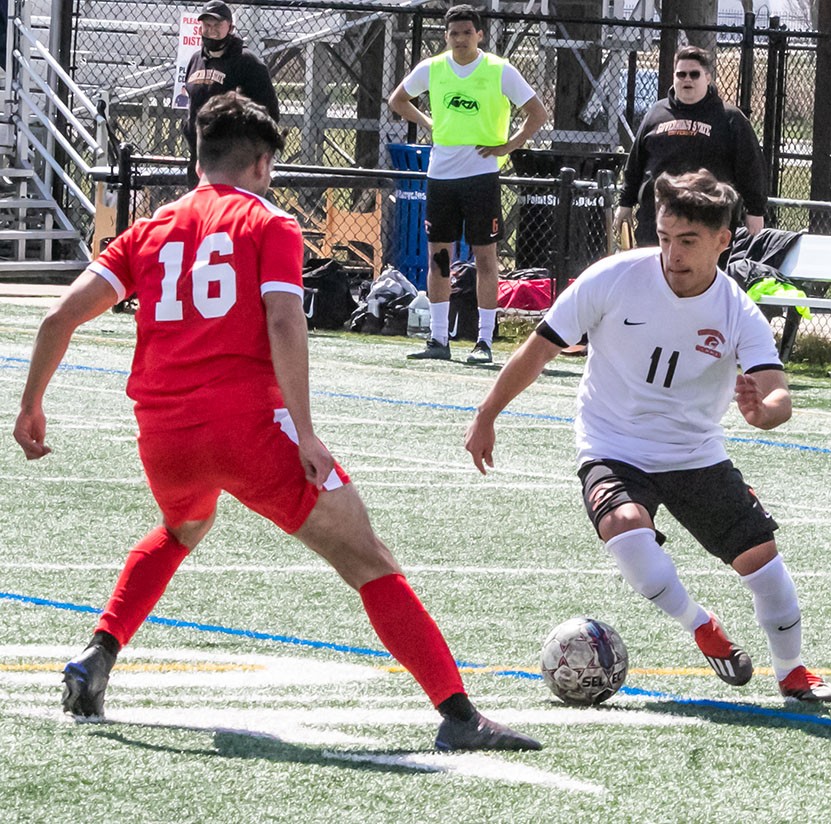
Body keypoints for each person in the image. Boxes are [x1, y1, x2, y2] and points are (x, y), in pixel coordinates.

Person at [13, 91, 541, 753]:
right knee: (368, 558)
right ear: (263, 164)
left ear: (198, 159)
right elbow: (285, 320)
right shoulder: (270, 223)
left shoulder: (149, 229)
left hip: (165, 434)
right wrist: (306, 432)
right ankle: (459, 715)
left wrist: (31, 405)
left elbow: (58, 317)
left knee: (183, 527)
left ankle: (99, 651)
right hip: (250, 430)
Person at [466, 169, 831, 704]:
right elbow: (539, 348)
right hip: (612, 444)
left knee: (762, 563)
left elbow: (777, 393)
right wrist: (487, 414)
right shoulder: (613, 278)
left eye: (688, 241)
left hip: (694, 453)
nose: (672, 254)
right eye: (664, 238)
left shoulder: (737, 311)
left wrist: (764, 413)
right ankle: (701, 625)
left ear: (722, 240)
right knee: (624, 526)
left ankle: (793, 671)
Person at [389, 4, 548, 365]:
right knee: (439, 258)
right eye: (454, 33)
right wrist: (428, 123)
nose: (460, 39)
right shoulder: (432, 68)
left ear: (479, 35)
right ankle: (438, 337)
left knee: (485, 258)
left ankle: (484, 340)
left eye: (466, 33)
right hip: (441, 175)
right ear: (446, 36)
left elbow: (537, 113)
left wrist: (509, 145)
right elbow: (397, 100)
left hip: (481, 176)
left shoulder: (499, 70)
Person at [613, 45, 767, 249]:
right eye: (681, 74)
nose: (687, 79)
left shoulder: (730, 118)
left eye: (694, 74)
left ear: (708, 78)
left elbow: (751, 168)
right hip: (656, 223)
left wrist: (755, 211)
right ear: (674, 77)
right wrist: (625, 203)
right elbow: (635, 164)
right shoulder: (656, 113)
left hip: (708, 224)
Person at [182, 1, 279, 188]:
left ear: (230, 27)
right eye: (207, 25)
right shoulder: (195, 60)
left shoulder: (247, 61)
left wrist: (248, 151)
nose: (211, 30)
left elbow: (269, 113)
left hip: (233, 163)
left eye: (217, 25)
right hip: (200, 158)